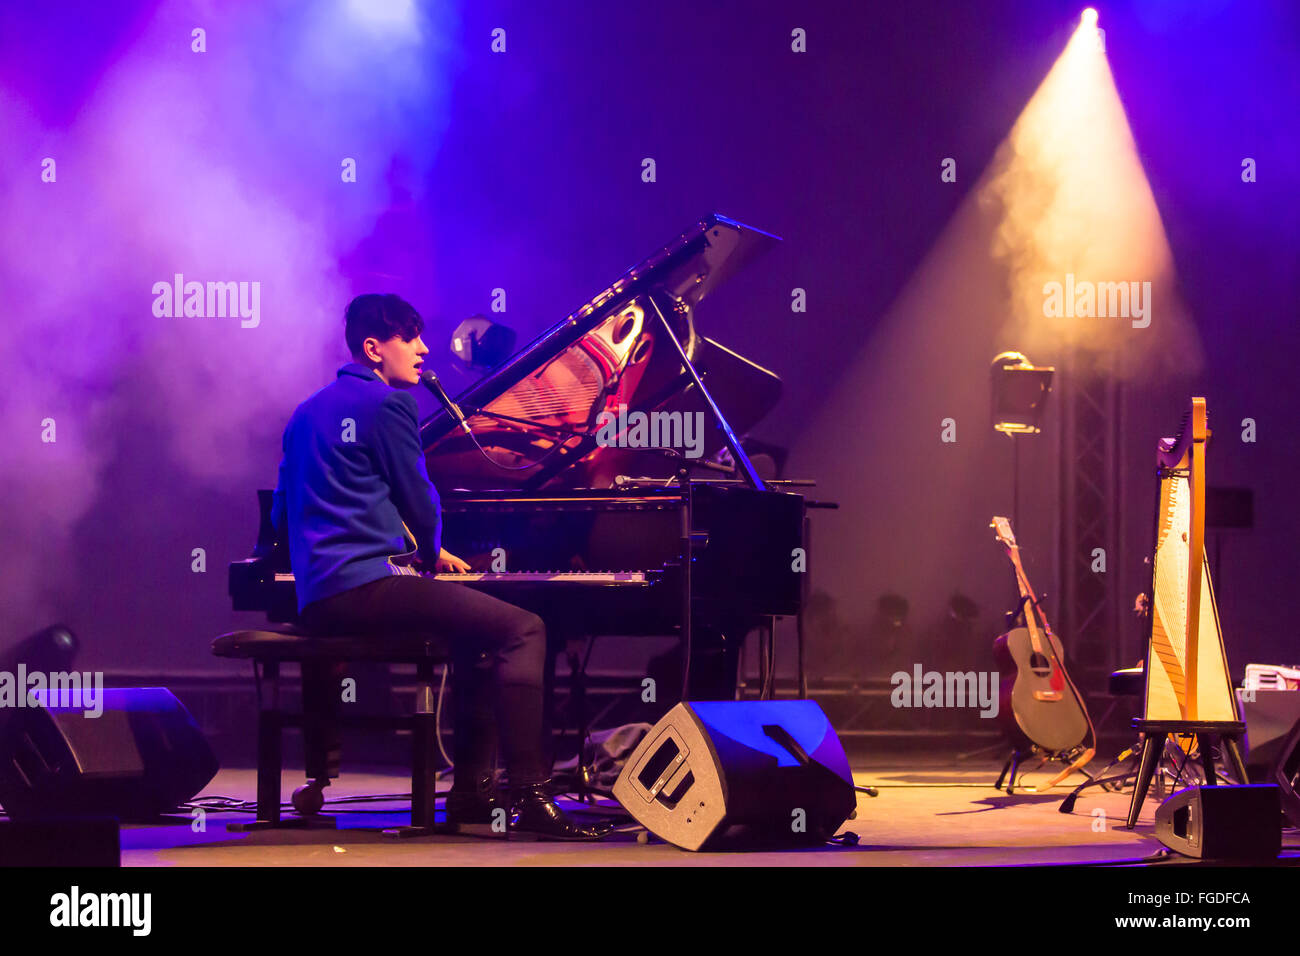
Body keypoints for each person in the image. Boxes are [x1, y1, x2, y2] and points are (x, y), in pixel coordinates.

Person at [271, 293, 609, 839]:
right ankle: (529, 792)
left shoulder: (306, 412)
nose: (425, 348)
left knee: (476, 636)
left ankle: (473, 793)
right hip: (365, 589)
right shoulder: (388, 406)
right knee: (525, 628)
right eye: (411, 337)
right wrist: (429, 554)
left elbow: (281, 511)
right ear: (374, 348)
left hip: (320, 593)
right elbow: (420, 498)